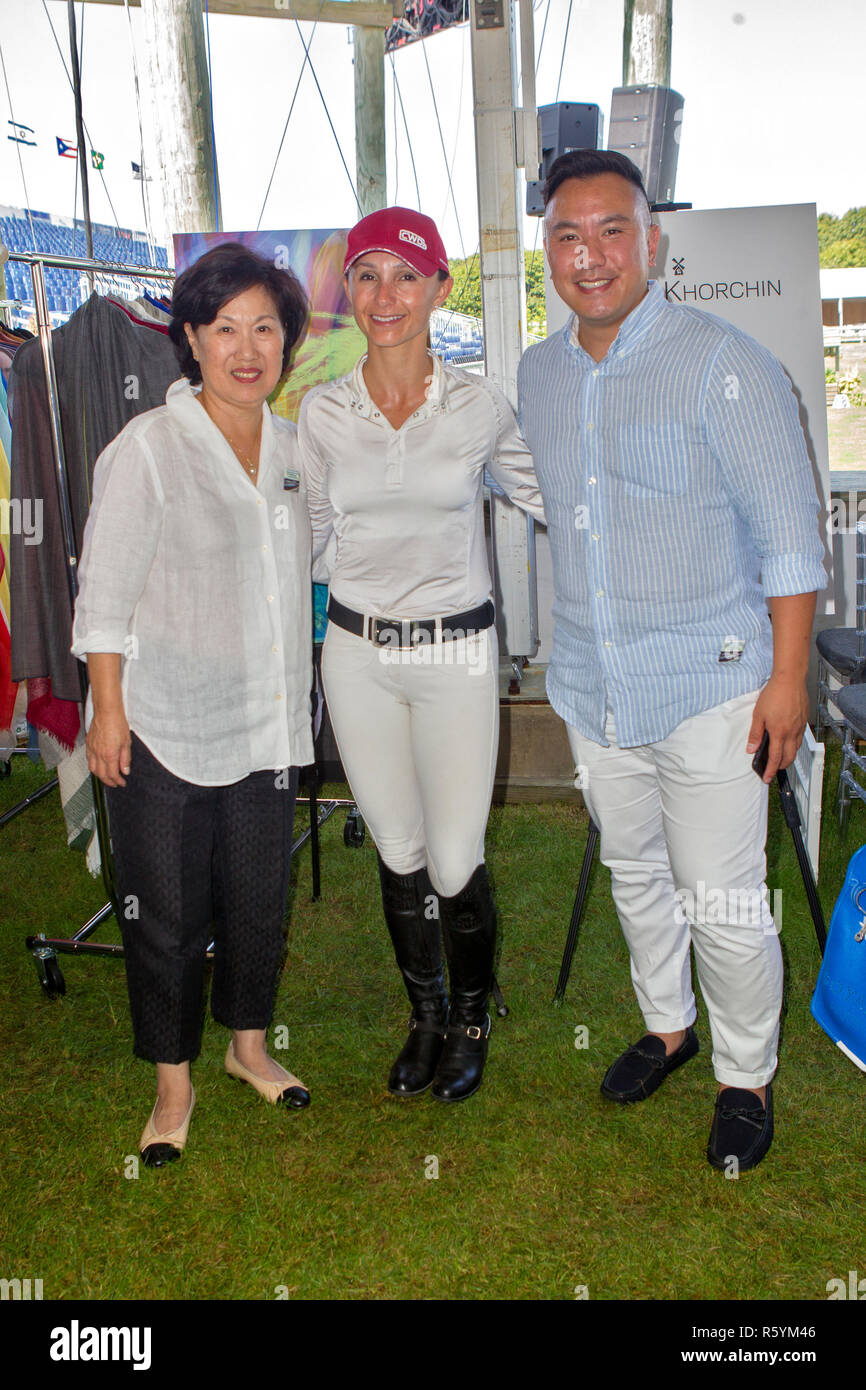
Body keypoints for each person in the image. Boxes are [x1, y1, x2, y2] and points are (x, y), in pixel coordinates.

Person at [517, 150, 826, 1170]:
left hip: (713, 685)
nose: (590, 254)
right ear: (548, 252)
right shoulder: (538, 371)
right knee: (634, 872)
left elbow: (788, 537)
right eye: (568, 234)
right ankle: (667, 1027)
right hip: (594, 689)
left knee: (725, 901)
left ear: (650, 241)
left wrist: (785, 682)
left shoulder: (721, 362)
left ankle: (743, 1075)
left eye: (612, 230)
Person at [71, 243, 314, 1167]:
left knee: (259, 899)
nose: (247, 349)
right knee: (165, 912)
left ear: (287, 344)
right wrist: (106, 708)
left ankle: (248, 1048)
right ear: (190, 340)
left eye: (265, 329)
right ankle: (172, 1085)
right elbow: (103, 593)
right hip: (164, 721)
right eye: (225, 330)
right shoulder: (149, 450)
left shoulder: (293, 453)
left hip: (266, 722)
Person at [298, 207, 545, 1103]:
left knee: (451, 857)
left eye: (406, 275)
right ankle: (428, 1014)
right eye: (366, 275)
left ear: (441, 287)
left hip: (456, 658)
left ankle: (475, 1016)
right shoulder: (322, 411)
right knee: (397, 850)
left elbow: (543, 491)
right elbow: (313, 536)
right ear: (350, 294)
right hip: (358, 654)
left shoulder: (479, 403)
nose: (385, 294)